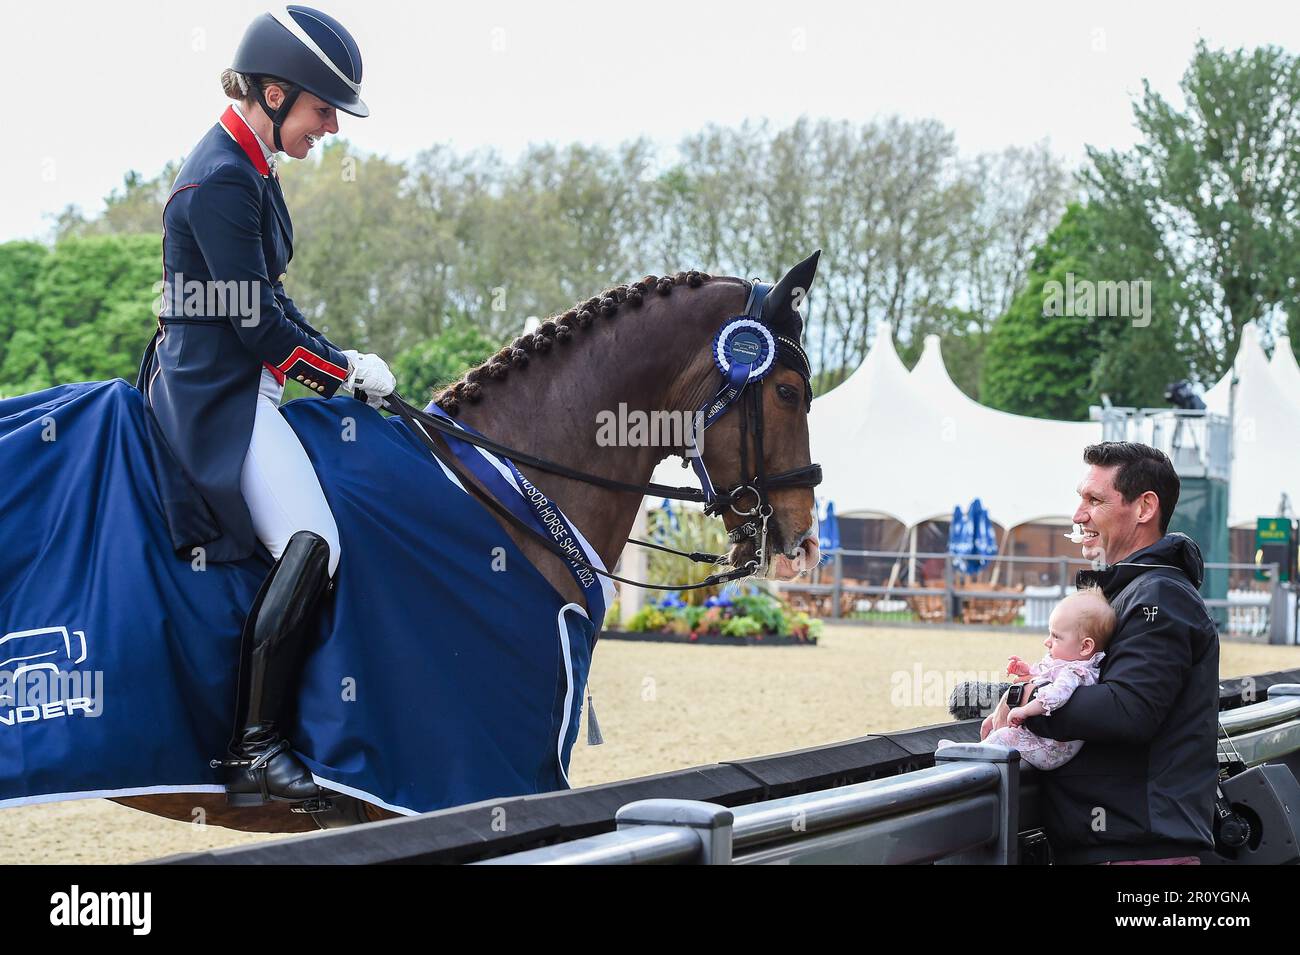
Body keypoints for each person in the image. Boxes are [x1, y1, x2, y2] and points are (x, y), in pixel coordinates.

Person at [136, 6, 396, 805]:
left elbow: (272, 306)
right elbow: (259, 328)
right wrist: (344, 370)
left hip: (249, 379)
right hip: (219, 393)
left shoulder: (251, 166)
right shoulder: (221, 177)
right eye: (324, 111)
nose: (331, 129)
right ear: (276, 93)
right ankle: (252, 745)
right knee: (315, 538)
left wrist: (333, 355)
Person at [988, 442, 1220, 864]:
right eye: (1080, 499)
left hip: (1137, 850)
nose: (1078, 516)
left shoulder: (1160, 596)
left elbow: (1128, 710)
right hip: (1121, 843)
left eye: (1094, 500)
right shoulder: (1135, 592)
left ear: (1145, 507)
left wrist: (1023, 700)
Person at [973, 587, 1114, 771]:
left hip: (1053, 748)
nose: (1047, 641)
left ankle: (966, 759)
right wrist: (1027, 671)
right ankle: (971, 754)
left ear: (1085, 646)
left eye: (1056, 636)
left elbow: (1055, 695)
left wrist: (1024, 711)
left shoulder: (1076, 672)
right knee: (999, 730)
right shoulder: (1065, 662)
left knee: (1005, 736)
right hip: (1044, 738)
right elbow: (1044, 676)